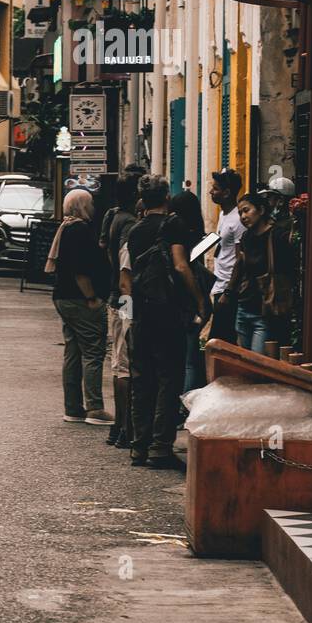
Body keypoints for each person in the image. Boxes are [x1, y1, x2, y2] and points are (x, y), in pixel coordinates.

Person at [122, 174, 207, 470]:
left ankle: (139, 446)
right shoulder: (174, 225)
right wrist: (199, 301)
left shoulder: (135, 231)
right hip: (167, 312)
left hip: (141, 313)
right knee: (168, 378)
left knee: (142, 379)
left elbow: (127, 276)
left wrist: (128, 314)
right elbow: (181, 265)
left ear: (143, 199)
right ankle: (160, 446)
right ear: (167, 197)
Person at [47, 188, 112, 427]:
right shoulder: (80, 230)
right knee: (93, 352)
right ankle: (95, 407)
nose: (93, 208)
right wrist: (92, 297)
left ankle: (73, 407)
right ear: (82, 206)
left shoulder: (65, 228)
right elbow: (80, 270)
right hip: (79, 299)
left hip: (63, 297)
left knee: (73, 351)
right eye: (90, 203)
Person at [228, 191, 296, 355]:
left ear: (261, 210)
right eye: (240, 213)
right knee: (244, 361)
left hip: (264, 311)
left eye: (246, 210)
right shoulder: (246, 237)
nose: (243, 216)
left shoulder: (277, 236)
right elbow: (241, 265)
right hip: (244, 307)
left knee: (257, 363)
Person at [102, 173, 140, 447]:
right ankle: (124, 427)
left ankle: (119, 427)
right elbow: (126, 264)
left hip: (115, 296)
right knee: (125, 365)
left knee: (119, 365)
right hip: (125, 299)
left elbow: (106, 250)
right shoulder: (128, 223)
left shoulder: (112, 217)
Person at [170, 190, 211, 394]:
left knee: (179, 357)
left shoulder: (172, 233)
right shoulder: (195, 235)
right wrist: (201, 301)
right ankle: (185, 403)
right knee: (190, 357)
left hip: (172, 300)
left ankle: (178, 401)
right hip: (190, 299)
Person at [200, 168, 244, 347]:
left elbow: (240, 258)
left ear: (226, 193)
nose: (211, 192)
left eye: (215, 188)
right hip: (220, 286)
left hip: (228, 288)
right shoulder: (223, 214)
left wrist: (229, 292)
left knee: (221, 343)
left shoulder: (238, 219)